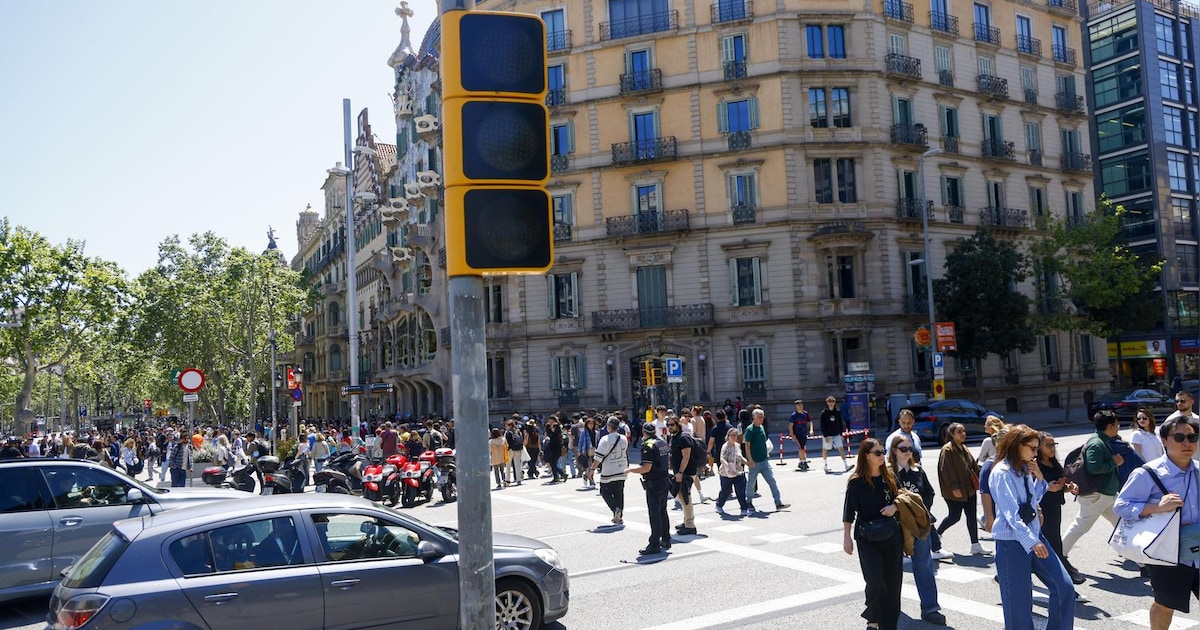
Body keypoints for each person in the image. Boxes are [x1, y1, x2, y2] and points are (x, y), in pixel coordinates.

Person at [1115, 415, 1200, 630]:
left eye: (1192, 437)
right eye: (1179, 437)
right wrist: (1157, 507)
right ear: (1164, 440)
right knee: (1165, 604)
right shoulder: (1147, 473)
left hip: (1198, 549)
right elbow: (1121, 506)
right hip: (1166, 551)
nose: (1187, 443)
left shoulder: (1198, 470)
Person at [990, 425, 1074, 630]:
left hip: (1034, 536)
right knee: (1018, 605)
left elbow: (1032, 500)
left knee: (1064, 587)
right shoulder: (1001, 472)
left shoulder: (1026, 468)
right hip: (1013, 542)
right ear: (1017, 445)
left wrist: (1039, 479)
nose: (1036, 453)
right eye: (1033, 448)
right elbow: (1011, 514)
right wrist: (1032, 541)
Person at [843, 437, 904, 630]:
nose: (881, 456)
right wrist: (846, 537)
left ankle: (889, 624)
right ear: (866, 456)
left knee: (893, 584)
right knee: (876, 582)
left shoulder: (890, 477)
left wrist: (894, 506)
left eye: (882, 452)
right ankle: (873, 618)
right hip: (867, 538)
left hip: (892, 537)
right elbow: (848, 510)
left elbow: (903, 498)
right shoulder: (856, 482)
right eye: (877, 453)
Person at [888, 434, 946, 625]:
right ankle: (890, 607)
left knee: (924, 566)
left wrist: (921, 510)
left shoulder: (917, 470)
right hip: (896, 526)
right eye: (903, 449)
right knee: (892, 568)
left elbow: (929, 492)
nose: (907, 453)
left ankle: (930, 608)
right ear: (894, 451)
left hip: (920, 524)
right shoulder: (887, 473)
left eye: (910, 449)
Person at [1061, 410, 1123, 576]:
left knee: (1122, 524)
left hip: (1105, 496)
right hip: (1098, 496)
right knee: (1080, 527)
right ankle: (1060, 554)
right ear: (1109, 426)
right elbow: (1093, 468)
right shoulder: (1097, 443)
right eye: (1117, 424)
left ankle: (1139, 559)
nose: (1118, 427)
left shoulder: (1102, 440)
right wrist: (1114, 462)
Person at [1037, 431, 1083, 585]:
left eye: (1053, 445)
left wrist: (1068, 487)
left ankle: (1007, 576)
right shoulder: (1035, 465)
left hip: (1055, 506)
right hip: (1041, 508)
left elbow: (1058, 485)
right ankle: (1068, 578)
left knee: (1047, 544)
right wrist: (1048, 488)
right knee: (1053, 544)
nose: (1052, 448)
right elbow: (1032, 488)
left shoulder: (1053, 462)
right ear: (1039, 447)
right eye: (1048, 445)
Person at [936, 423, 986, 555]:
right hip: (955, 491)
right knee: (954, 516)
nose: (963, 434)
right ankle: (936, 535)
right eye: (959, 432)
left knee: (971, 516)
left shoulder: (963, 447)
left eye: (963, 431)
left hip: (969, 488)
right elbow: (946, 471)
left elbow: (973, 466)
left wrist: (980, 480)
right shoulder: (948, 450)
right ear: (952, 434)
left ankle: (975, 545)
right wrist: (954, 487)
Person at [625, 422, 672, 555]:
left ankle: (654, 543)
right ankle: (666, 538)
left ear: (644, 432)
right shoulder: (661, 442)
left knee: (654, 513)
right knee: (662, 511)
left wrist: (629, 470)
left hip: (654, 482)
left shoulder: (648, 445)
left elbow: (646, 467)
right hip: (664, 480)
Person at [745, 409, 790, 512]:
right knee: (751, 483)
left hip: (764, 460)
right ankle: (748, 501)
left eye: (762, 417)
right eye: (759, 417)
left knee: (772, 481)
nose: (761, 419)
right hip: (754, 462)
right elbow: (747, 446)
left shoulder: (761, 427)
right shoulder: (750, 429)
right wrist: (750, 460)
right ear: (754, 418)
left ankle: (778, 503)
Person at [590, 417, 629, 525]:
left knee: (604, 491)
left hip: (609, 470)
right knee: (619, 493)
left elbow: (598, 457)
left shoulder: (605, 439)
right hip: (621, 469)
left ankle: (615, 509)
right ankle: (619, 517)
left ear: (608, 426)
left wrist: (592, 469)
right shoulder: (623, 438)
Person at [977, 416, 1009, 532]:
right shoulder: (993, 464)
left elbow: (980, 458)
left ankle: (987, 517)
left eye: (986, 424)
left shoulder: (988, 441)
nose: (984, 427)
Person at [667, 416, 698, 535]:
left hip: (686, 472)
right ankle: (686, 521)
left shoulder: (683, 438)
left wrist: (680, 472)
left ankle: (690, 525)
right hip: (680, 472)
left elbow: (686, 456)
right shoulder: (674, 437)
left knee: (685, 497)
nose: (670, 427)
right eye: (668, 425)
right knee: (681, 497)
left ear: (678, 425)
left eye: (672, 425)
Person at [715, 427, 755, 516]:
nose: (734, 437)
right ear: (728, 436)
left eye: (735, 435)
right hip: (726, 473)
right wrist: (728, 467)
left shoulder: (737, 445)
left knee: (741, 491)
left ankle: (744, 508)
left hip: (738, 472)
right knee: (725, 491)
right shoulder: (725, 446)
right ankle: (719, 505)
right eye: (732, 435)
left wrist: (747, 463)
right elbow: (722, 458)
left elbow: (740, 457)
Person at [820, 395, 850, 473]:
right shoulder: (824, 413)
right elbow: (822, 425)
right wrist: (825, 435)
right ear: (827, 403)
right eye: (829, 402)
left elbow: (840, 423)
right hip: (828, 434)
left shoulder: (837, 412)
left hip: (836, 434)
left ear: (834, 403)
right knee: (825, 449)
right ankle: (825, 465)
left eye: (832, 402)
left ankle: (846, 465)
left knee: (841, 448)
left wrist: (841, 433)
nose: (831, 403)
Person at [789, 400, 813, 471]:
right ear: (796, 406)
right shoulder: (794, 415)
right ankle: (804, 462)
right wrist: (792, 434)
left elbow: (810, 422)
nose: (800, 406)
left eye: (801, 405)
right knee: (801, 447)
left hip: (804, 433)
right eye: (798, 405)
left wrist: (811, 430)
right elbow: (790, 425)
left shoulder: (805, 414)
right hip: (797, 434)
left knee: (802, 448)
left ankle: (801, 462)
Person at [504, 418, 525, 486]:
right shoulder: (518, 431)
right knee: (518, 465)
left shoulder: (508, 432)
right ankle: (518, 480)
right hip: (518, 449)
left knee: (508, 465)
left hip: (510, 450)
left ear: (509, 425)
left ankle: (508, 480)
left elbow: (506, 442)